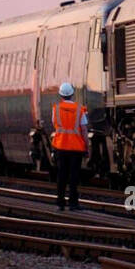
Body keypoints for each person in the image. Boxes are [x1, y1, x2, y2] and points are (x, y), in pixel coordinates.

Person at [51, 81, 88, 211]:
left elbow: (55, 125)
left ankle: (60, 202)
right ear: (72, 94)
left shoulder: (55, 109)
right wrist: (86, 147)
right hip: (76, 148)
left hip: (60, 147)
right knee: (74, 176)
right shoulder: (80, 109)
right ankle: (73, 203)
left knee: (61, 175)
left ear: (61, 95)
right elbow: (84, 130)